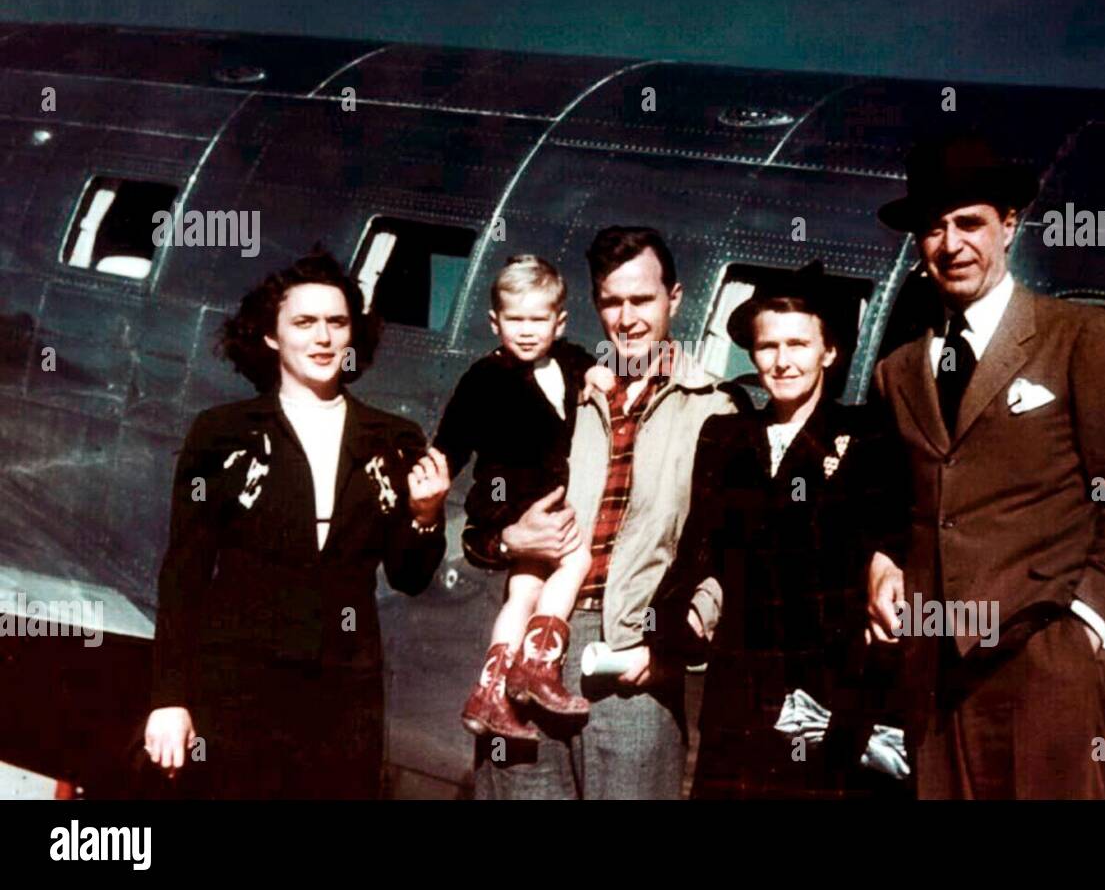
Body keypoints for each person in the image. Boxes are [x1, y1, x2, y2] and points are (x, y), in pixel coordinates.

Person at [865, 134, 1105, 799]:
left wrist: (1087, 630)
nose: (951, 244)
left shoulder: (1083, 338)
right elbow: (902, 506)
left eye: (969, 223)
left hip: (1050, 664)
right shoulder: (897, 372)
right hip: (939, 678)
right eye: (932, 228)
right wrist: (884, 560)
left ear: (1009, 225)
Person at [144, 250, 451, 798]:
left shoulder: (392, 439)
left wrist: (426, 515)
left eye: (337, 322)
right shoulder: (222, 433)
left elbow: (408, 576)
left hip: (344, 697)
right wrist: (170, 698)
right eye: (304, 323)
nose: (323, 338)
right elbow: (184, 572)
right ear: (269, 335)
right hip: (236, 690)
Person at [468, 226, 747, 799]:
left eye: (642, 300)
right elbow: (488, 506)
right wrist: (508, 538)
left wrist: (677, 641)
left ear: (674, 298)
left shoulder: (718, 410)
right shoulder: (566, 391)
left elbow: (732, 548)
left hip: (630, 657)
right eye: (611, 302)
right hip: (537, 639)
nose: (627, 319)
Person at [650, 261, 902, 799]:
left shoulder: (865, 436)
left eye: (798, 345)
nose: (782, 362)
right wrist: (680, 612)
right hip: (737, 682)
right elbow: (700, 546)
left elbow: (888, 541)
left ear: (829, 352)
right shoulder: (726, 436)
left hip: (825, 687)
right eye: (768, 347)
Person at [433, 255, 614, 741]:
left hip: (545, 499)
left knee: (524, 591)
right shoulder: (485, 378)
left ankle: (489, 692)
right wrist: (432, 481)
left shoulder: (571, 360)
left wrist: (598, 376)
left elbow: (593, 369)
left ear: (559, 322)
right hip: (512, 500)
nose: (527, 330)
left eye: (539, 319)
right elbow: (451, 441)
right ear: (495, 321)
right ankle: (539, 665)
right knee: (576, 561)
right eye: (515, 319)